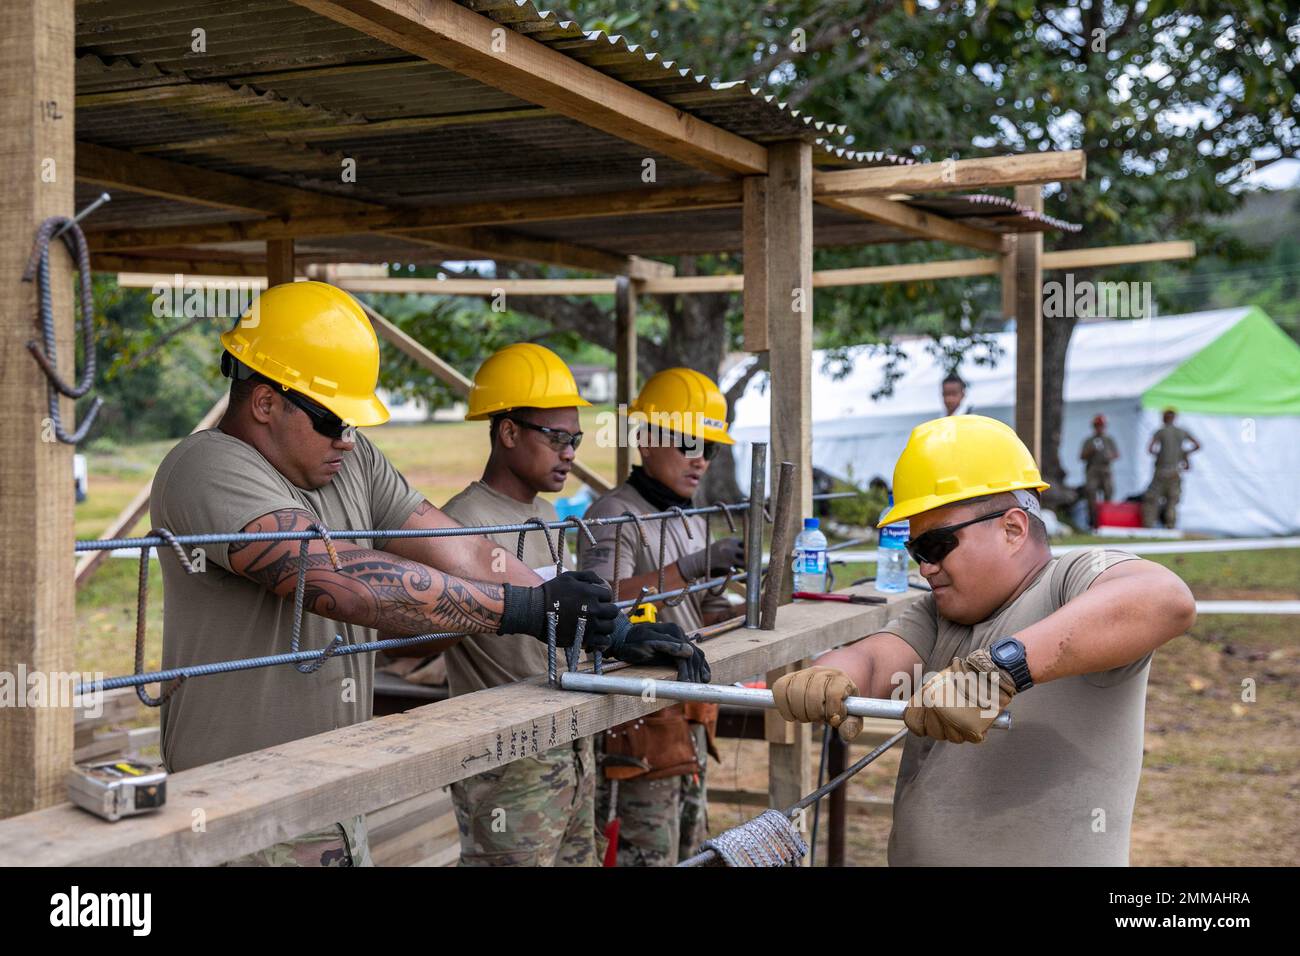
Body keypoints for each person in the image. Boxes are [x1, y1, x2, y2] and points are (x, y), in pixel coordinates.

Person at [150, 282, 696, 866]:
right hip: (240, 804)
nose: (346, 438)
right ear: (264, 402)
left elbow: (460, 550)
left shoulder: (348, 462)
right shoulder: (208, 466)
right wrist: (527, 612)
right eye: (334, 420)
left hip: (332, 787)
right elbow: (340, 584)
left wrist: (599, 627)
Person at [769, 414, 1196, 865]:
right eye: (917, 552)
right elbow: (874, 661)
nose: (924, 567)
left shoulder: (1066, 584)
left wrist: (1001, 670)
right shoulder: (940, 615)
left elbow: (1165, 599)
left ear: (1013, 528)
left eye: (935, 546)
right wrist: (831, 672)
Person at [441, 343, 683, 866]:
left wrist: (625, 637)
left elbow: (567, 621)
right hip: (505, 758)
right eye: (557, 439)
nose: (571, 452)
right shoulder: (461, 523)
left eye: (574, 439)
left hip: (569, 740)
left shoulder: (549, 515)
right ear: (508, 433)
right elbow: (424, 626)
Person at [579, 368, 742, 866]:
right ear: (647, 440)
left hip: (685, 716)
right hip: (638, 725)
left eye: (709, 450)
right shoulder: (613, 515)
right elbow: (600, 606)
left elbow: (690, 610)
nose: (701, 460)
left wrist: (726, 597)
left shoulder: (689, 515)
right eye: (690, 443)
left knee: (688, 850)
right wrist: (691, 568)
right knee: (644, 855)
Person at [1142, 408, 1201, 528]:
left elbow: (1150, 449)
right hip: (1175, 471)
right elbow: (1197, 445)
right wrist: (1184, 454)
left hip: (1161, 470)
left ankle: (1148, 525)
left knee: (1152, 499)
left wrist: (1160, 455)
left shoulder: (1160, 431)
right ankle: (1170, 526)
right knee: (1172, 501)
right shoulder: (1181, 432)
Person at [1080, 413, 1120, 528]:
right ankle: (1093, 523)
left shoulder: (1109, 440)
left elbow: (1116, 454)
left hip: (1106, 470)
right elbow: (1081, 456)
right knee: (1091, 496)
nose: (1099, 428)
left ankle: (1107, 522)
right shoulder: (1089, 441)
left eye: (1101, 426)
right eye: (1097, 426)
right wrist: (1091, 451)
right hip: (1093, 470)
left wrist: (1109, 456)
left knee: (1108, 495)